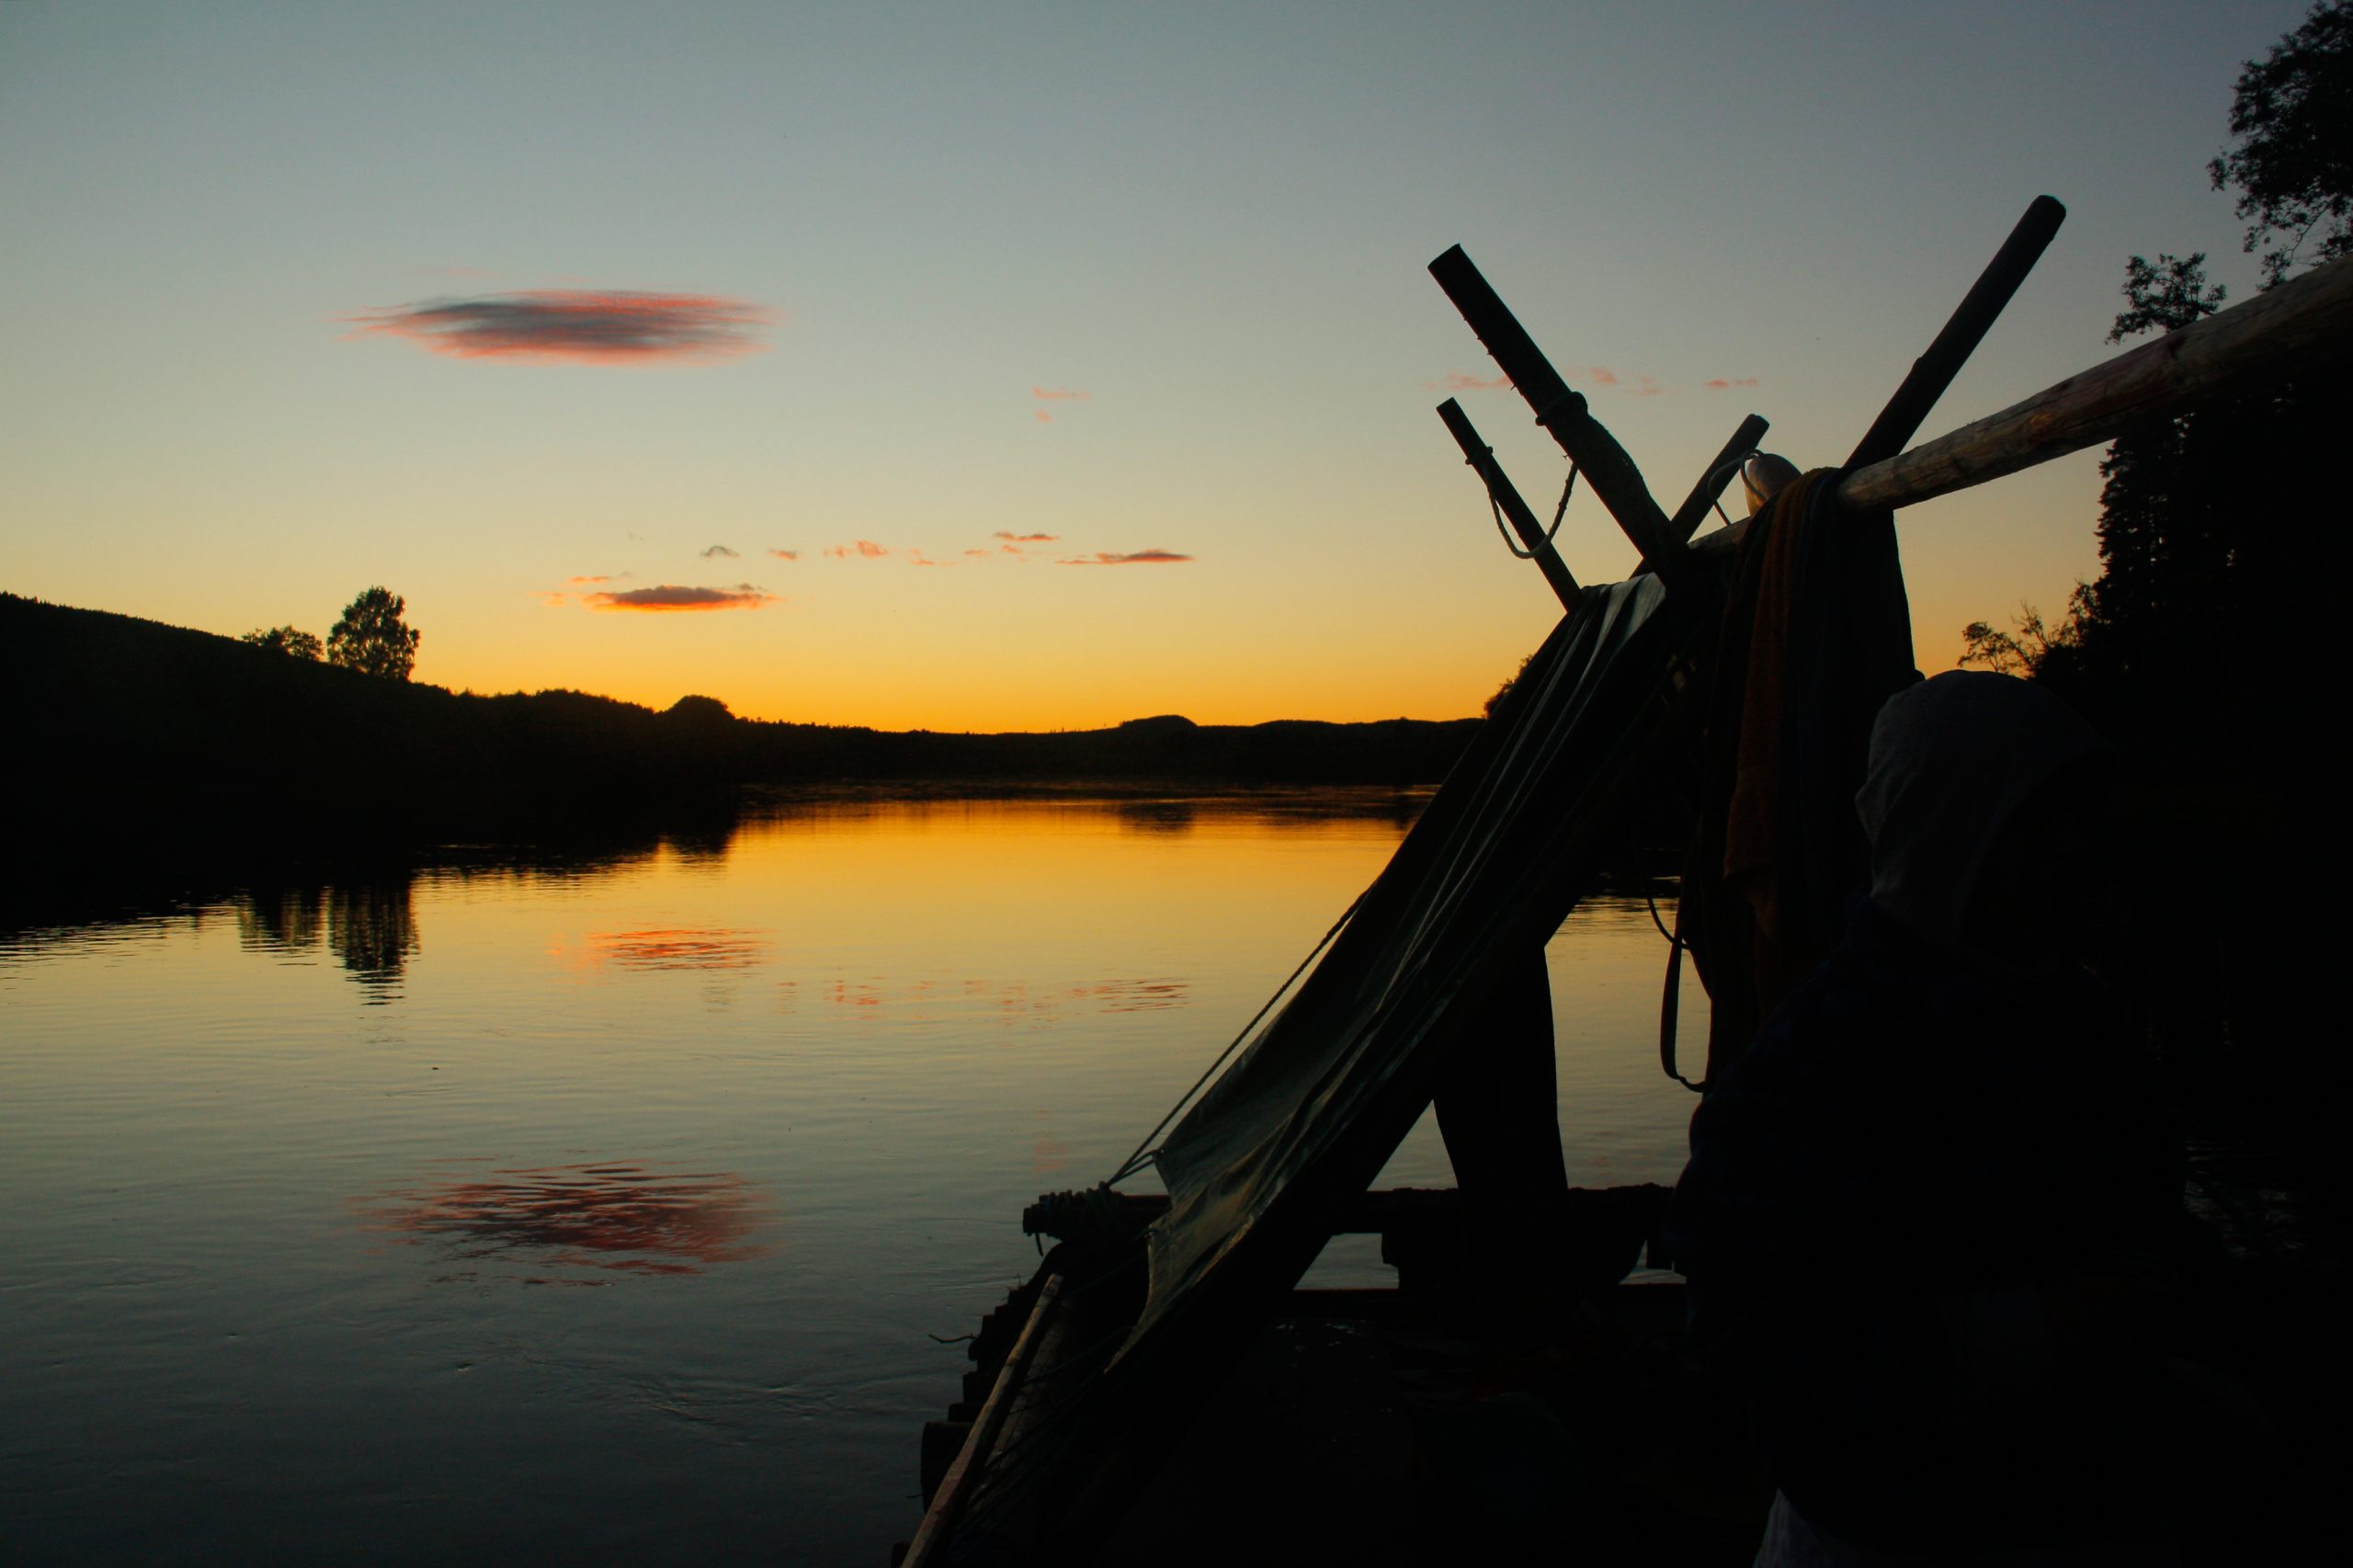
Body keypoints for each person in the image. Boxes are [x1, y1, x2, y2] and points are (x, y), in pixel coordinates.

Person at [1667, 671, 2187, 1564]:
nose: (2070, 850)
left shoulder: (2085, 1025)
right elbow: (1741, 1328)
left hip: (2090, 1512)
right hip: (1877, 1533)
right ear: (1951, 832)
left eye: (2076, 818)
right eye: (2035, 821)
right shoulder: (1816, 1058)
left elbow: (2145, 1212)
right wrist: (2012, 1335)